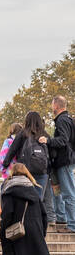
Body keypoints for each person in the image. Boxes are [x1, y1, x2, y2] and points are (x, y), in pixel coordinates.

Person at [47, 95, 75, 234]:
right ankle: (64, 220)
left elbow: (63, 140)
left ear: (56, 105)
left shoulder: (62, 120)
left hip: (64, 161)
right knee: (62, 192)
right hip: (67, 160)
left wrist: (48, 141)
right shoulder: (69, 119)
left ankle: (72, 225)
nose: (52, 107)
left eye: (52, 104)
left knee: (69, 193)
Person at [2, 111, 50, 191]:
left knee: (25, 197)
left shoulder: (23, 133)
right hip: (42, 171)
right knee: (38, 199)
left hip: (25, 171)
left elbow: (12, 150)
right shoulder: (44, 134)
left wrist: (5, 165)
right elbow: (52, 152)